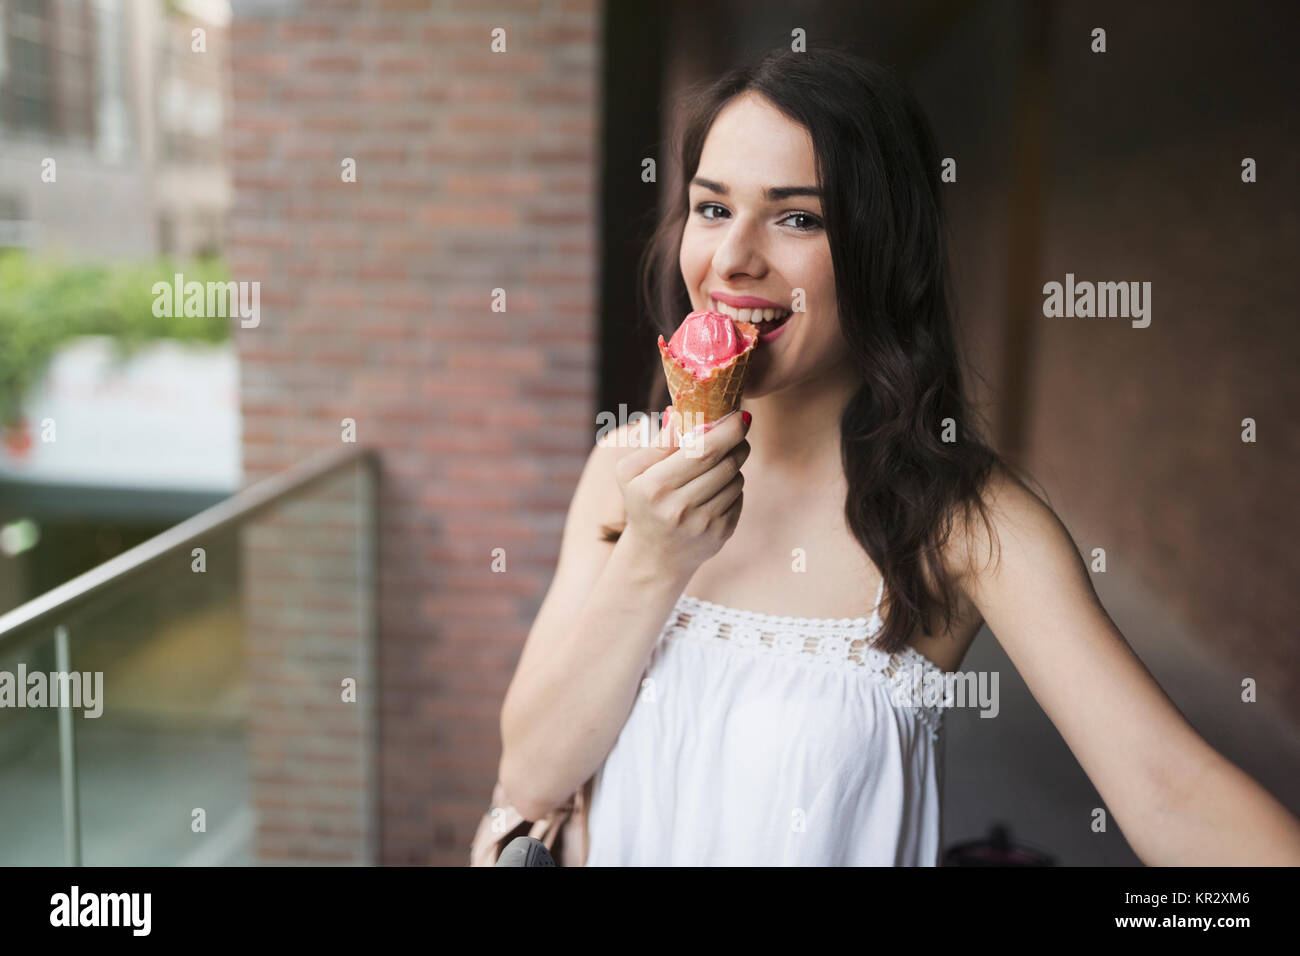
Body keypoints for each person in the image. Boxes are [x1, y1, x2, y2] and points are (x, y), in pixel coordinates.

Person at [496, 46, 1300, 865]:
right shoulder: (623, 469)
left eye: (797, 217)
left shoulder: (965, 524)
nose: (733, 257)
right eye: (711, 208)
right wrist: (652, 560)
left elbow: (1172, 794)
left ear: (883, 248)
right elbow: (527, 777)